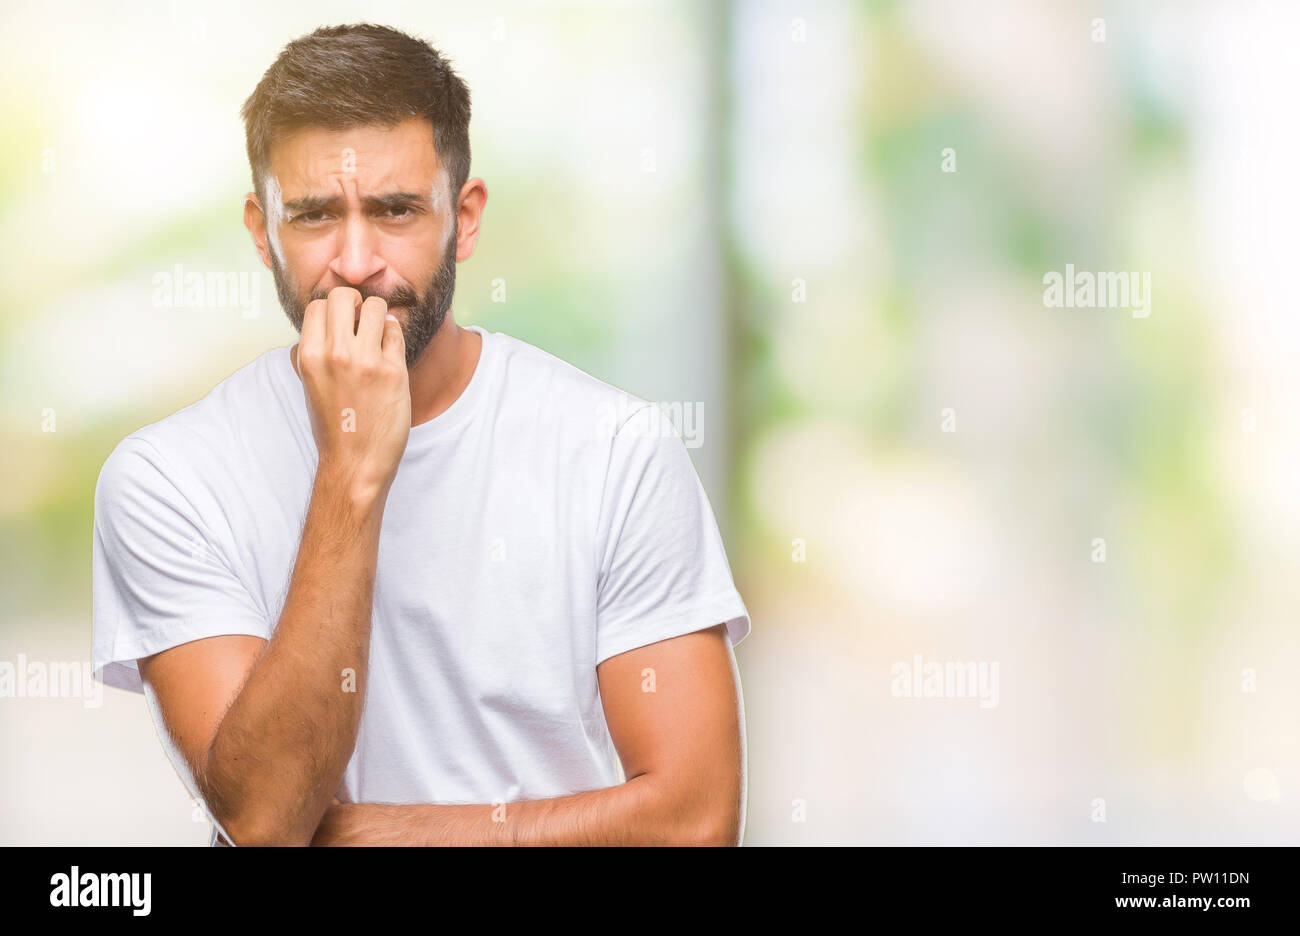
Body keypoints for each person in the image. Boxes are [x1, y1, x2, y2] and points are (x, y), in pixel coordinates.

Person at [90, 23, 750, 846]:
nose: (358, 261)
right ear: (263, 233)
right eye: (317, 215)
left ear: (463, 220)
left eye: (396, 210)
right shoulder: (166, 477)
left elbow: (694, 820)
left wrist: (390, 834)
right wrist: (352, 469)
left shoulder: (616, 449)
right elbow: (265, 820)